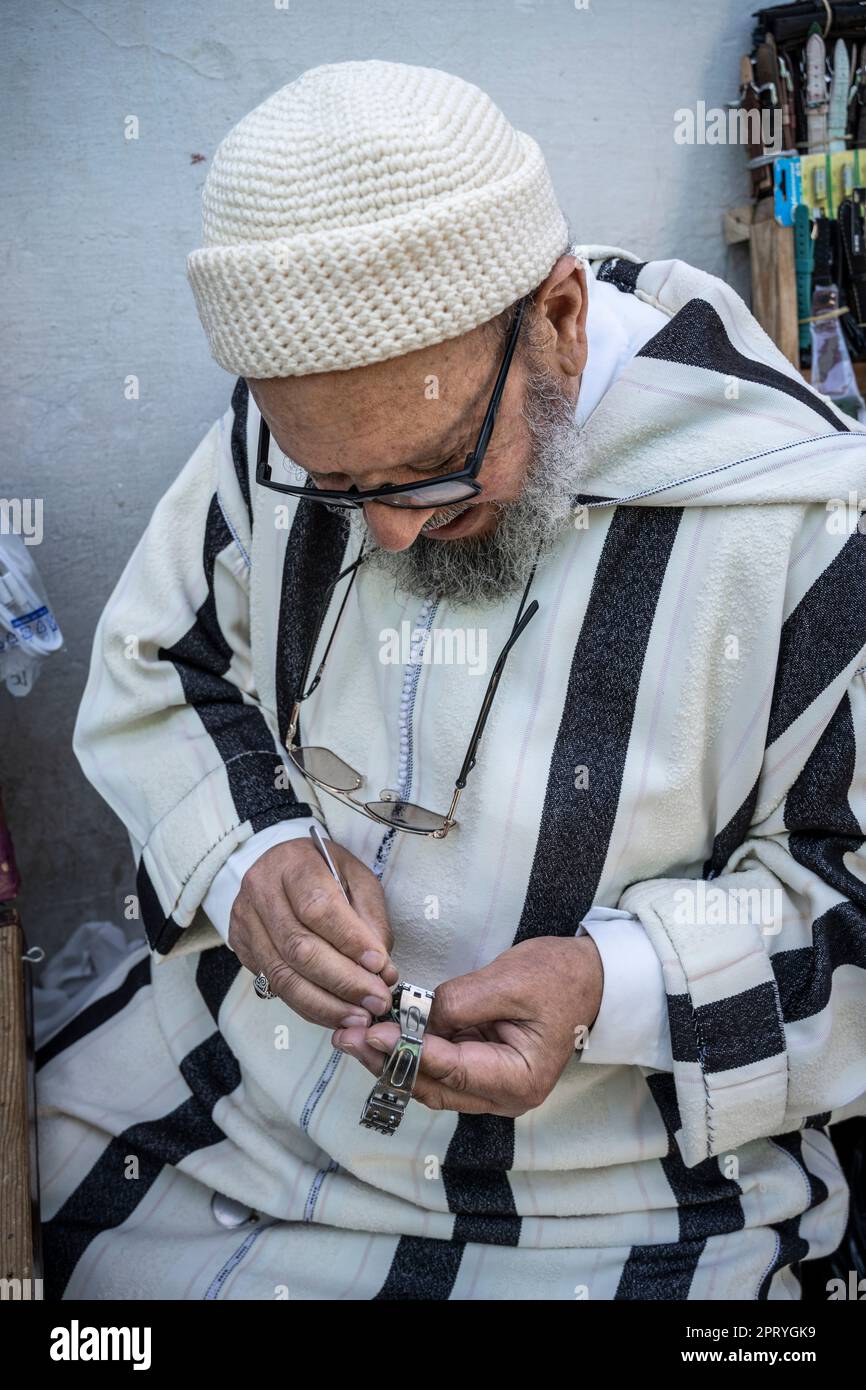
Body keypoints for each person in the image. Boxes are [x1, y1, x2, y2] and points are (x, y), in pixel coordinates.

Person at [37, 59, 866, 1301]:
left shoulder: (801, 526)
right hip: (249, 1099)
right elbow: (167, 667)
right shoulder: (300, 429)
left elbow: (843, 908)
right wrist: (248, 858)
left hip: (617, 1179)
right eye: (334, 490)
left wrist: (608, 988)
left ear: (561, 317)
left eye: (425, 475)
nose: (382, 539)